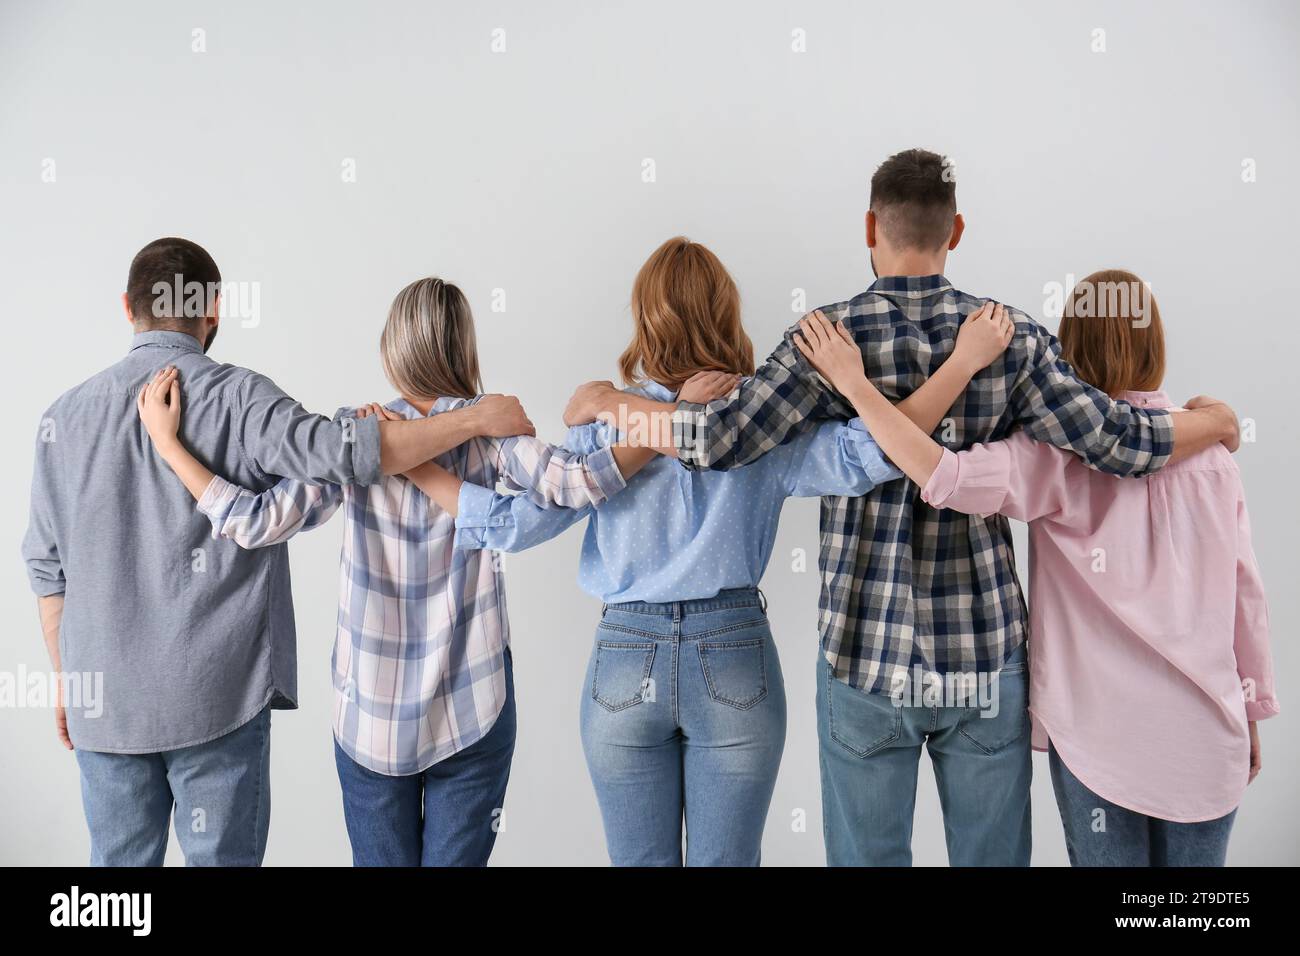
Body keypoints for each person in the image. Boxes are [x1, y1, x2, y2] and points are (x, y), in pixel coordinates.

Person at [561, 151, 1242, 866]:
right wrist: (1215, 425)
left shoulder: (824, 342)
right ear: (957, 230)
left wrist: (618, 405)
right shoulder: (1010, 337)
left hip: (862, 654)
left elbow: (716, 440)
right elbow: (1117, 441)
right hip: (982, 655)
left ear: (868, 227)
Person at [404, 237, 1016, 866]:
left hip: (624, 659)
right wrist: (952, 368)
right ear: (727, 316)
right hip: (735, 656)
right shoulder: (765, 423)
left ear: (645, 320)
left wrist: (408, 463)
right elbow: (878, 452)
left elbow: (516, 526)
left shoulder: (603, 424)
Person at [135, 275, 726, 866]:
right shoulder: (492, 431)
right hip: (473, 707)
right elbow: (579, 482)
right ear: (463, 346)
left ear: (393, 348)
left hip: (369, 717)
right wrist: (673, 415)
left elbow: (253, 522)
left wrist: (170, 446)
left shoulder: (356, 438)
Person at [22, 239, 531, 867]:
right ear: (212, 309)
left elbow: (48, 570)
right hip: (218, 696)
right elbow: (347, 454)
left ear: (128, 308)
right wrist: (474, 420)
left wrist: (67, 678)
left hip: (107, 705)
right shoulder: (240, 398)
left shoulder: (62, 419)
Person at [791, 273, 1276, 867]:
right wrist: (1250, 709)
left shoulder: (1050, 460)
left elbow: (938, 474)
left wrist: (856, 386)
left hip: (1099, 742)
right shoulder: (1215, 461)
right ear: (1156, 348)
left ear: (1071, 351)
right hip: (1206, 735)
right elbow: (1245, 596)